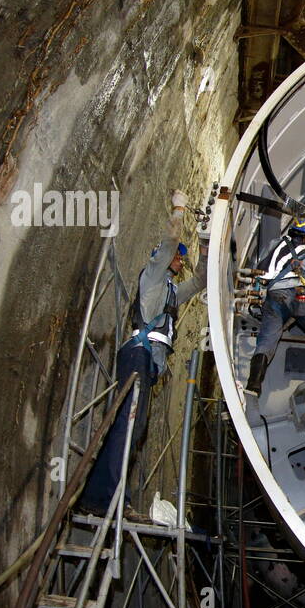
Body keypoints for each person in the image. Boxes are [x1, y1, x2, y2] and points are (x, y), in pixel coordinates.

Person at [78, 190, 207, 515]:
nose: (180, 260)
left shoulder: (170, 293)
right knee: (127, 426)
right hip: (138, 355)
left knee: (132, 428)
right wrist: (178, 208)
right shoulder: (153, 277)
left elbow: (203, 280)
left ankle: (101, 495)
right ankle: (105, 498)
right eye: (180, 256)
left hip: (148, 364)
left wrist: (207, 242)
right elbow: (169, 242)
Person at [243, 228, 305, 397]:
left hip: (275, 295)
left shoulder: (276, 243)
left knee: (267, 340)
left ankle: (254, 385)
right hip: (299, 294)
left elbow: (265, 265)